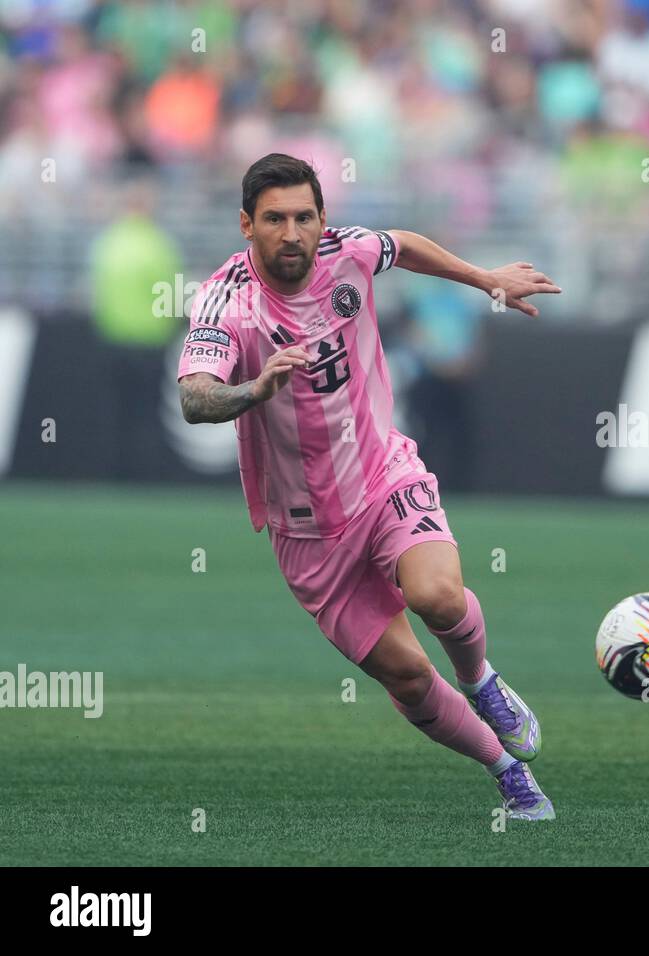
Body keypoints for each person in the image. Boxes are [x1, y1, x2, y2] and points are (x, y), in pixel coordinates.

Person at [176, 153, 561, 820]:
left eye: (304, 217)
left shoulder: (346, 253)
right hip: (308, 534)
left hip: (382, 475)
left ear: (323, 219)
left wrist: (483, 279)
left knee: (437, 596)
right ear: (246, 225)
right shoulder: (225, 301)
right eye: (274, 220)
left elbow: (402, 246)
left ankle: (482, 680)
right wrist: (254, 388)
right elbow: (195, 399)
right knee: (408, 677)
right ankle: (504, 770)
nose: (292, 233)